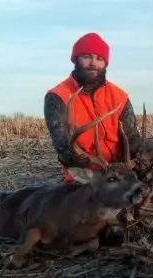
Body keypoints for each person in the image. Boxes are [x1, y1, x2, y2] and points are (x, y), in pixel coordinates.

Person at [44, 32, 142, 182]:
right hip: (87, 175)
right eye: (87, 56)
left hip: (122, 169)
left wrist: (144, 148)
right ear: (76, 59)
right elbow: (63, 146)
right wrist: (77, 158)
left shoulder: (119, 96)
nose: (93, 63)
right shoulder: (58, 97)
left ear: (105, 63)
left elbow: (132, 137)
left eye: (99, 58)